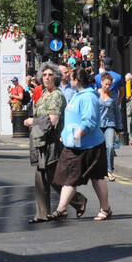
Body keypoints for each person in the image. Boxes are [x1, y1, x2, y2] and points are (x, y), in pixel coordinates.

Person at [26, 63, 88, 223]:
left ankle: (79, 201)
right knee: (41, 177)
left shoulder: (56, 96)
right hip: (41, 141)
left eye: (50, 75)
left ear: (56, 77)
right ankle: (42, 213)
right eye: (44, 75)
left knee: (54, 178)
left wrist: (33, 120)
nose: (47, 77)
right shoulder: (45, 93)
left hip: (53, 142)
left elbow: (52, 121)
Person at [49, 67, 112, 220]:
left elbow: (89, 122)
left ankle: (105, 209)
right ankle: (61, 210)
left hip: (89, 146)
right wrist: (66, 135)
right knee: (69, 178)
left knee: (97, 178)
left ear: (76, 81)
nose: (69, 81)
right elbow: (73, 119)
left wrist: (75, 137)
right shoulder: (79, 95)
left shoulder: (88, 97)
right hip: (76, 145)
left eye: (71, 79)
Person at [97, 72, 124, 181]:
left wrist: (119, 127)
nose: (107, 86)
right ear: (101, 82)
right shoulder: (95, 94)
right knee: (98, 149)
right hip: (98, 125)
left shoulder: (113, 95)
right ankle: (98, 170)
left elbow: (117, 112)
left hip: (110, 124)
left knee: (110, 147)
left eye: (109, 84)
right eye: (106, 84)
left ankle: (109, 170)